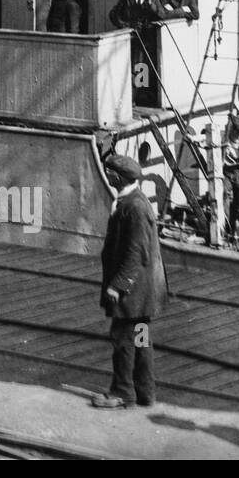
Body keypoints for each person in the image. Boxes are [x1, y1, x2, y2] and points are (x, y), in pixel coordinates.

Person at [93, 154, 168, 410]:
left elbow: (136, 252)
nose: (107, 174)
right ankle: (145, 392)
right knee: (142, 340)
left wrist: (118, 285)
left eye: (109, 171)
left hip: (132, 293)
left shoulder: (133, 207)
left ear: (117, 177)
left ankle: (123, 392)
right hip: (144, 293)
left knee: (123, 338)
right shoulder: (134, 201)